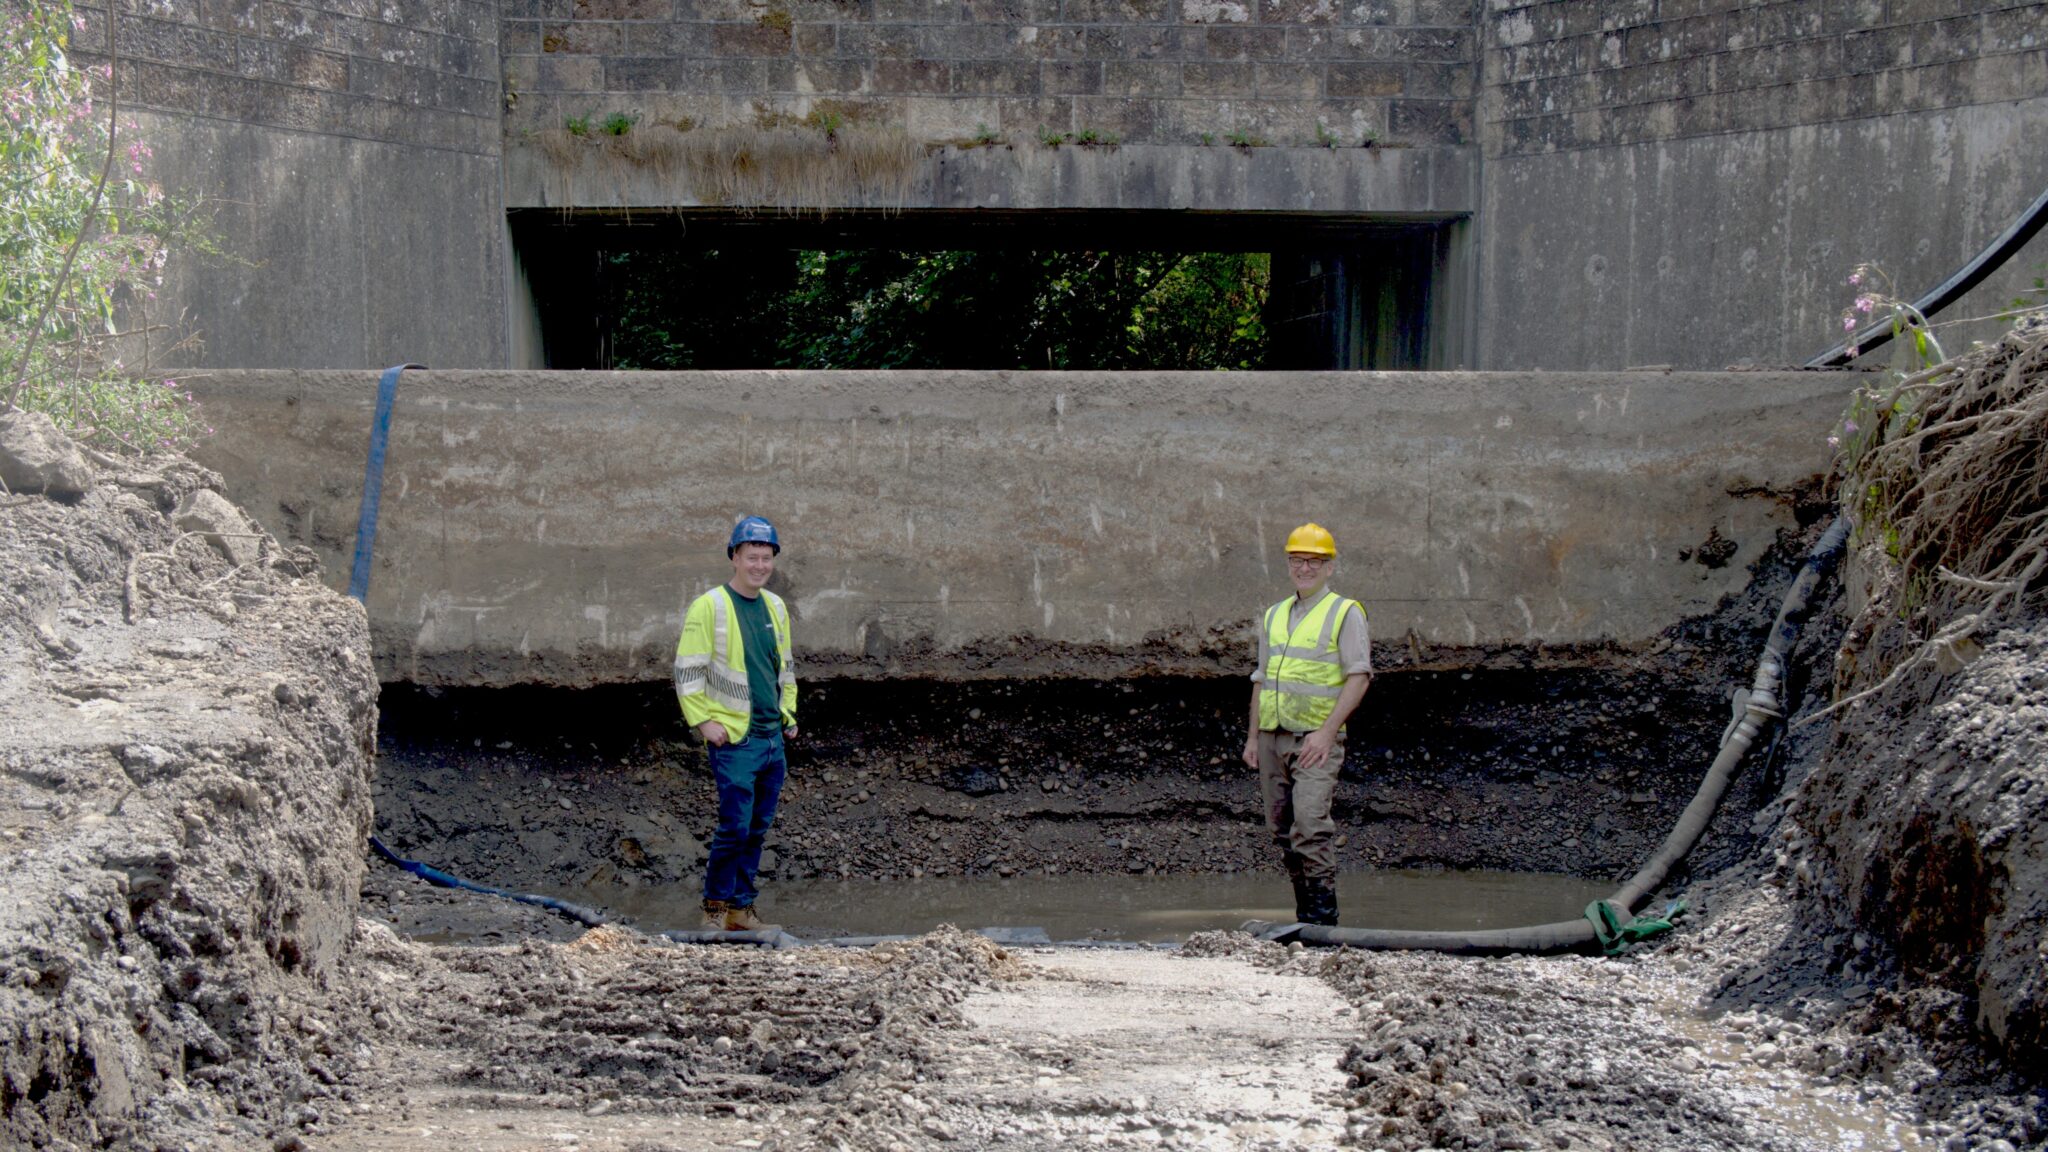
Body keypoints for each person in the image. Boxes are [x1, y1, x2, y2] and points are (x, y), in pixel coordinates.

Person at [1241, 522, 1372, 927]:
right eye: (1298, 560)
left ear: (1329, 567)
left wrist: (1327, 732)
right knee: (1281, 830)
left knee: (1311, 826)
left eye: (1314, 561)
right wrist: (1252, 738)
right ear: (1289, 564)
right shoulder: (1275, 614)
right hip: (1271, 738)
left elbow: (1360, 676)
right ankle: (1305, 918)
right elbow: (1261, 679)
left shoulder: (1345, 612)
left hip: (1315, 740)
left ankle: (1323, 921)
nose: (1305, 568)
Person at [674, 515, 798, 932]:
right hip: (734, 740)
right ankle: (715, 908)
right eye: (752, 557)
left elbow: (784, 667)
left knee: (757, 829)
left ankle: (740, 910)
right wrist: (702, 721)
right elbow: (688, 670)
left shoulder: (775, 607)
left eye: (766, 558)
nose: (760, 565)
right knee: (735, 827)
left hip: (770, 738)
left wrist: (788, 715)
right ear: (735, 558)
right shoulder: (710, 606)